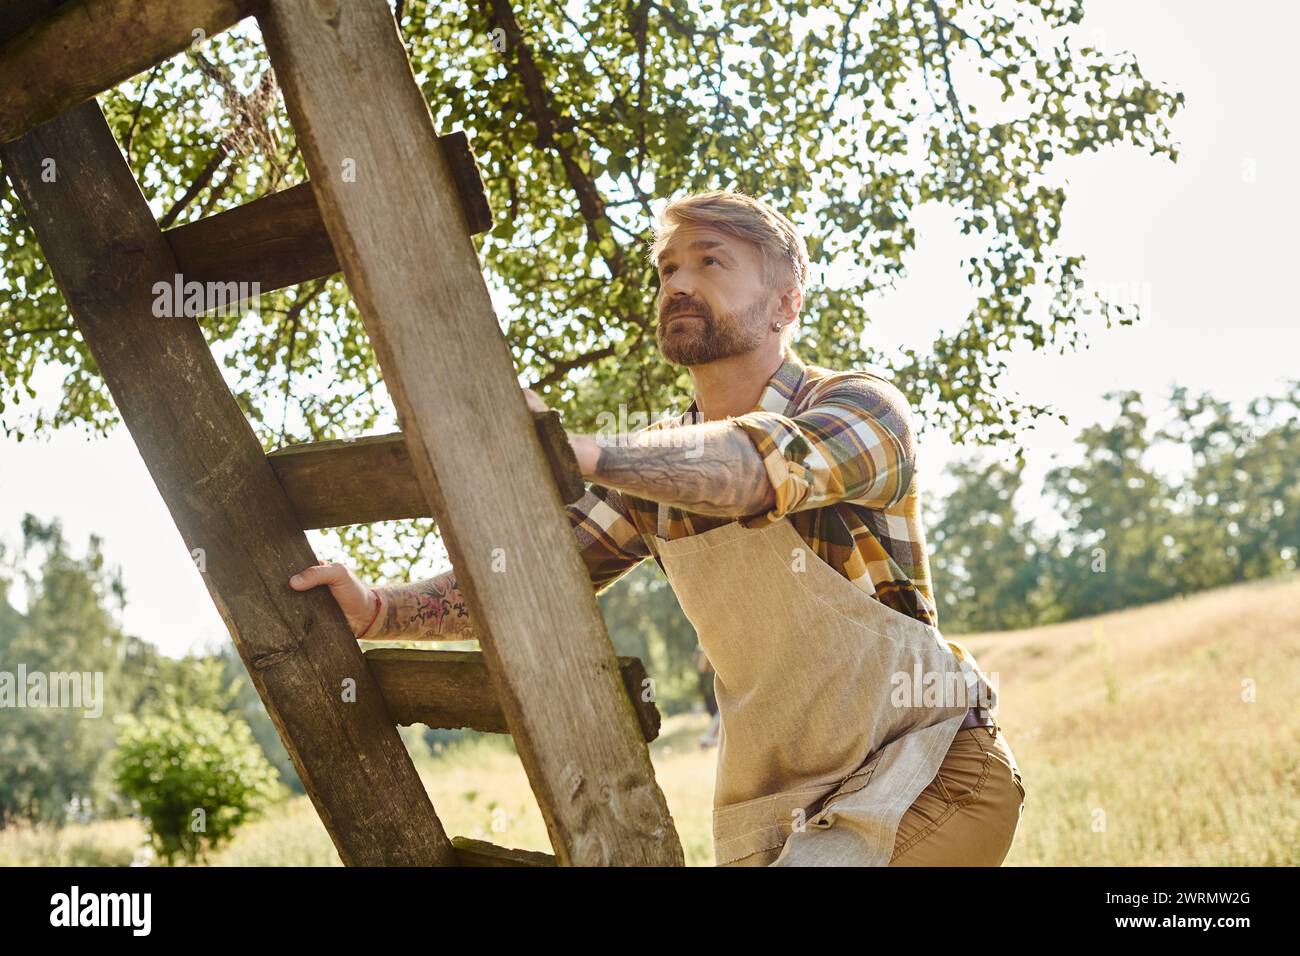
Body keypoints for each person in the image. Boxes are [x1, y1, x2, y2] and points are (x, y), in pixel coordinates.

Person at [289, 189, 1025, 866]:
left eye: (711, 262)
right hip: (786, 815)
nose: (677, 283)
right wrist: (379, 609)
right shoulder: (647, 475)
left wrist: (573, 453)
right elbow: (527, 579)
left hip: (927, 770)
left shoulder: (861, 411)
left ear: (786, 302)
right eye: (668, 268)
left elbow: (752, 469)